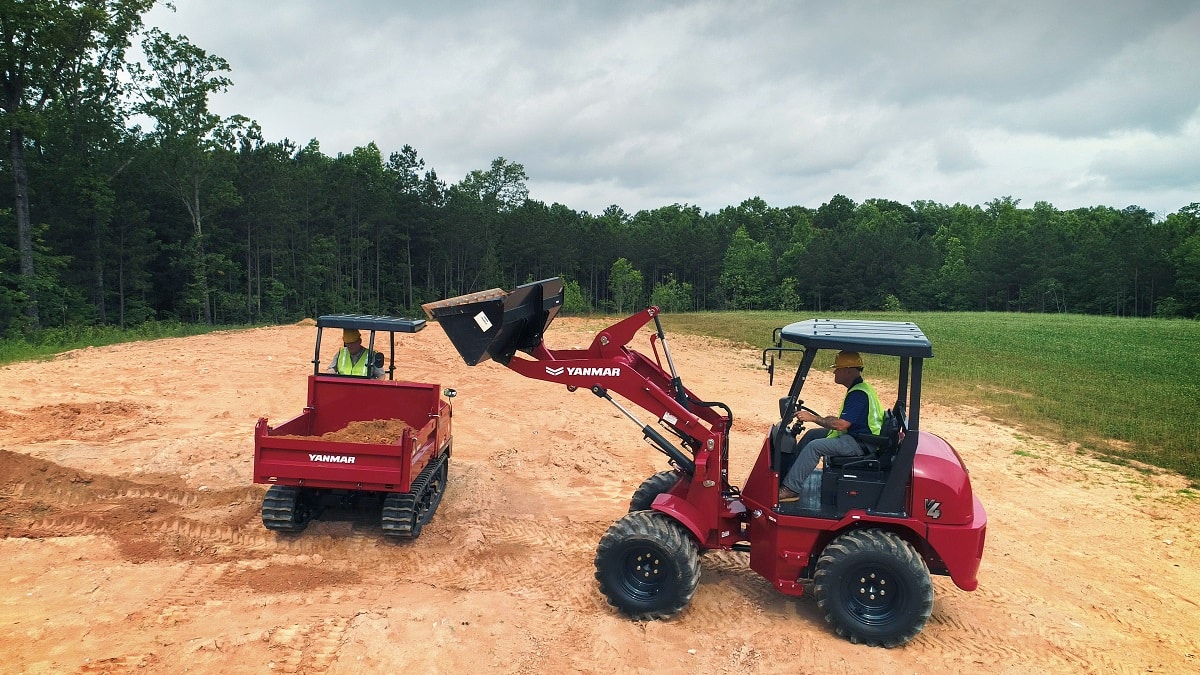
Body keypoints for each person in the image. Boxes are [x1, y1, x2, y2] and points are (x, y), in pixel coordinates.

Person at [778, 350, 883, 503]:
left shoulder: (858, 394)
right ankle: (789, 476)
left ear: (848, 370)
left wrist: (813, 418)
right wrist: (818, 420)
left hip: (862, 443)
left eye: (837, 368)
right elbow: (844, 421)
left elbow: (841, 425)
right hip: (858, 436)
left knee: (814, 447)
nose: (834, 371)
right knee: (812, 435)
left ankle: (790, 489)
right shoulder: (860, 388)